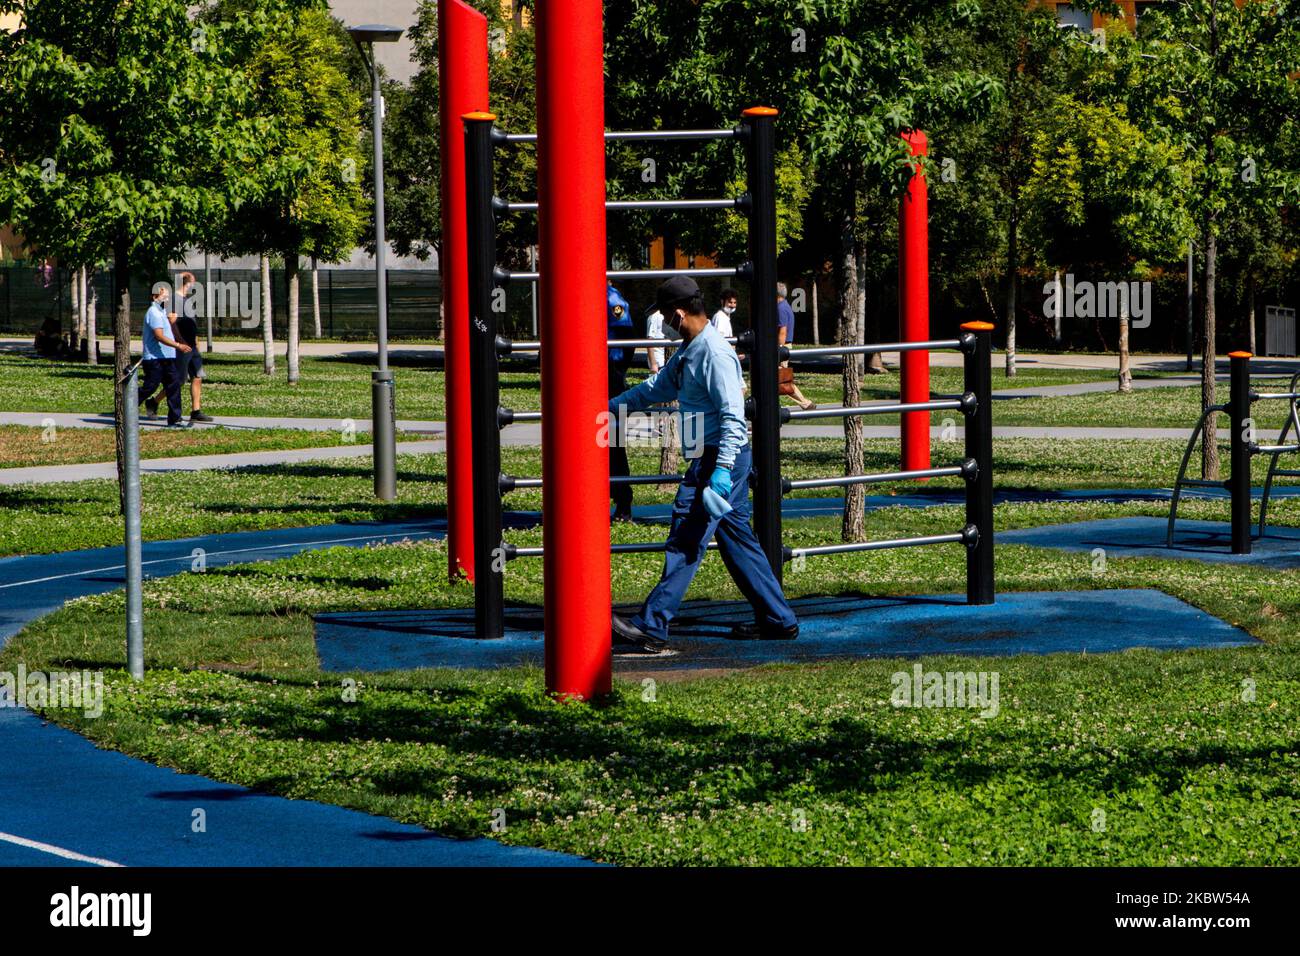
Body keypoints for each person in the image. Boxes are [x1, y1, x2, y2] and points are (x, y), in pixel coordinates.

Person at [608, 275, 799, 653]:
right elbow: (656, 388)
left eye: (664, 315)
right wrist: (608, 408)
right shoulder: (689, 348)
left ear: (679, 314)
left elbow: (732, 417)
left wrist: (722, 472)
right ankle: (780, 620)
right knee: (737, 541)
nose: (662, 322)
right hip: (710, 455)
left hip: (716, 458)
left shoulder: (714, 353)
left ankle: (651, 625)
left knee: (685, 539)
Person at [138, 285, 190, 427]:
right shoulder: (153, 312)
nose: (166, 299)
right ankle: (128, 405)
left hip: (167, 358)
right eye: (164, 296)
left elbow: (167, 330)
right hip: (154, 358)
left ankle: (175, 418)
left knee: (174, 385)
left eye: (168, 297)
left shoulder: (162, 312)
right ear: (155, 297)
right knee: (150, 386)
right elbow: (159, 336)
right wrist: (178, 346)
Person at [607, 283, 636, 522]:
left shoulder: (612, 299)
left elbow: (626, 338)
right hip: (593, 372)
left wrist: (618, 373)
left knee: (613, 442)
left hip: (609, 373)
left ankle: (623, 500)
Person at [171, 272, 213, 423]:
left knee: (197, 376)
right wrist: (180, 343)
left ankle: (196, 411)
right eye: (193, 283)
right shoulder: (174, 299)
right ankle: (154, 402)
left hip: (192, 346)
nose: (194, 286)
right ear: (187, 283)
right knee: (179, 380)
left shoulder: (186, 300)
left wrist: (195, 340)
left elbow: (191, 322)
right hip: (182, 346)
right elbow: (172, 324)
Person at [777, 281, 816, 411]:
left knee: (781, 380)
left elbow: (782, 330)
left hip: (782, 347)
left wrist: (779, 348)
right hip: (785, 346)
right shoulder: (786, 306)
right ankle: (804, 403)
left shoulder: (780, 308)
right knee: (779, 380)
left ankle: (805, 403)